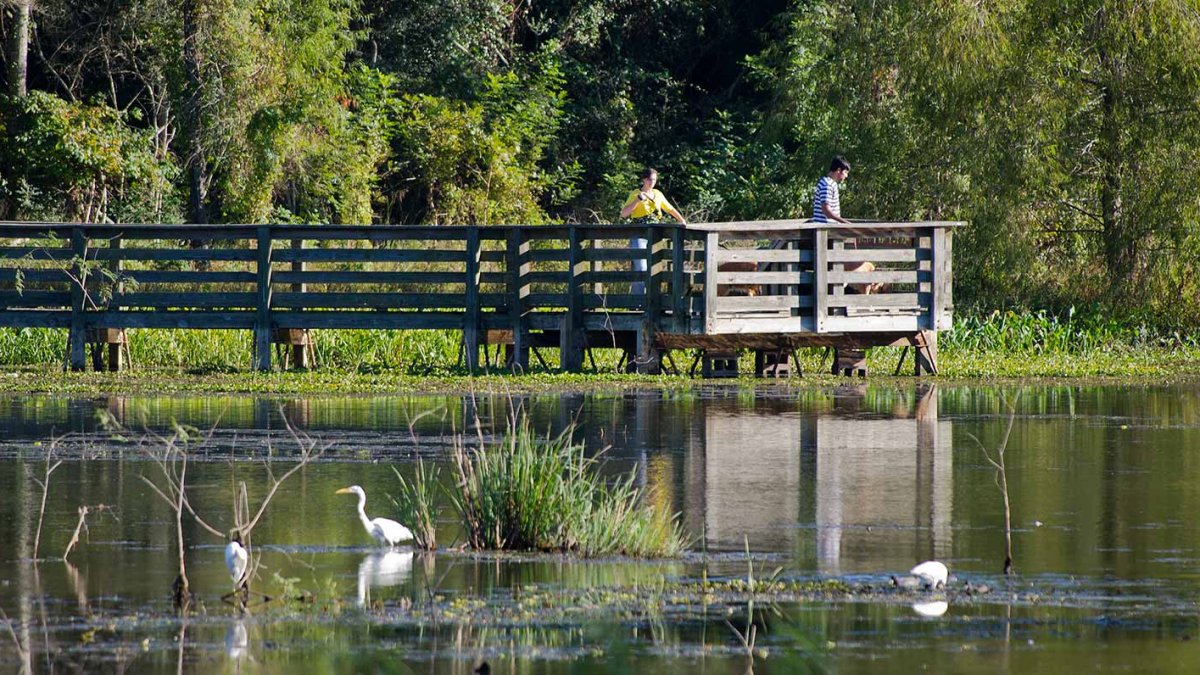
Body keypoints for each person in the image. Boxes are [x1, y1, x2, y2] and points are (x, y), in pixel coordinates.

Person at [812, 156, 878, 293]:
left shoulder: (830, 184)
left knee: (846, 263)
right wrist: (845, 223)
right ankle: (838, 292)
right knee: (845, 263)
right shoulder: (827, 184)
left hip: (831, 232)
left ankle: (841, 289)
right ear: (838, 170)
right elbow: (826, 210)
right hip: (825, 234)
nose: (846, 176)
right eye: (846, 172)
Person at [620, 168, 686, 294]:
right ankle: (638, 301)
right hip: (639, 233)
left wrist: (682, 220)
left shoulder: (658, 194)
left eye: (654, 180)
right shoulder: (636, 193)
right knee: (641, 268)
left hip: (656, 234)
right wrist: (638, 200)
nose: (652, 182)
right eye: (650, 179)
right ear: (644, 179)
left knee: (654, 268)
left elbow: (670, 209)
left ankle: (651, 300)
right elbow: (624, 214)